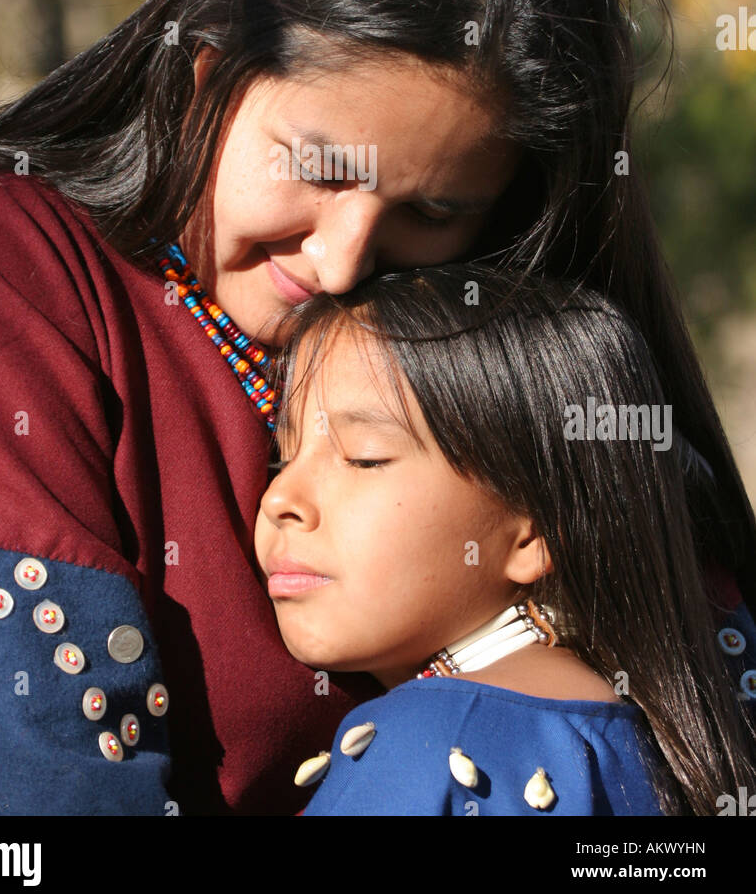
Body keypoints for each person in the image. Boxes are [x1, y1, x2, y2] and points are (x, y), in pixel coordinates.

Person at [0, 0, 753, 814]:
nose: (346, 260)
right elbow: (13, 808)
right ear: (204, 64)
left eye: (432, 212)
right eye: (318, 164)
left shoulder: (482, 347)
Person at [255, 263, 756, 816]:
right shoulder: (670, 724)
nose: (280, 498)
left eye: (364, 457)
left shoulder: (427, 748)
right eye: (282, 455)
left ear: (536, 531)